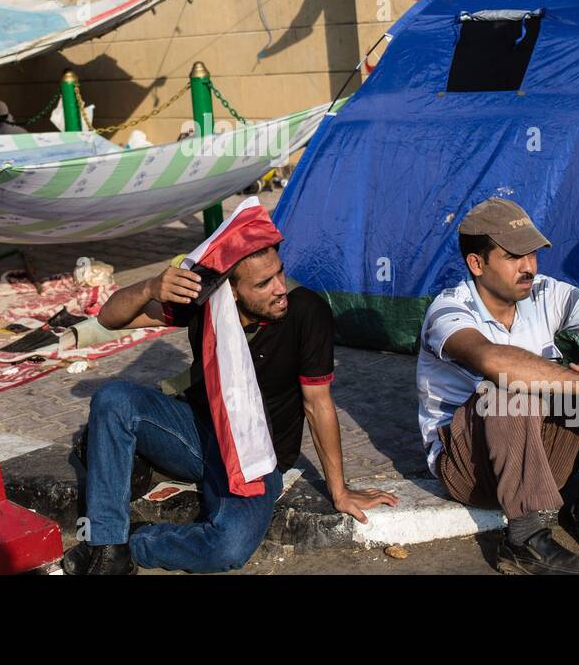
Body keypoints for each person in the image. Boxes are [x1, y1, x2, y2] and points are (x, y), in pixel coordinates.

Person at [61, 201, 398, 574]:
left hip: (257, 454)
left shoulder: (307, 312)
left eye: (280, 273)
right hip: (198, 433)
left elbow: (317, 405)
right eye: (263, 283)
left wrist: (339, 490)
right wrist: (150, 286)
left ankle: (137, 544)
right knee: (113, 399)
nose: (280, 288)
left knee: (229, 548)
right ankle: (107, 549)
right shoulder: (206, 303)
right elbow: (110, 318)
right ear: (231, 291)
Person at [419, 197, 579, 574]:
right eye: (514, 257)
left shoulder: (547, 292)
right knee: (504, 388)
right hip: (471, 468)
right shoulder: (449, 309)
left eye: (532, 254)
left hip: (539, 450)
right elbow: (493, 361)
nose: (529, 267)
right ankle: (523, 539)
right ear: (477, 264)